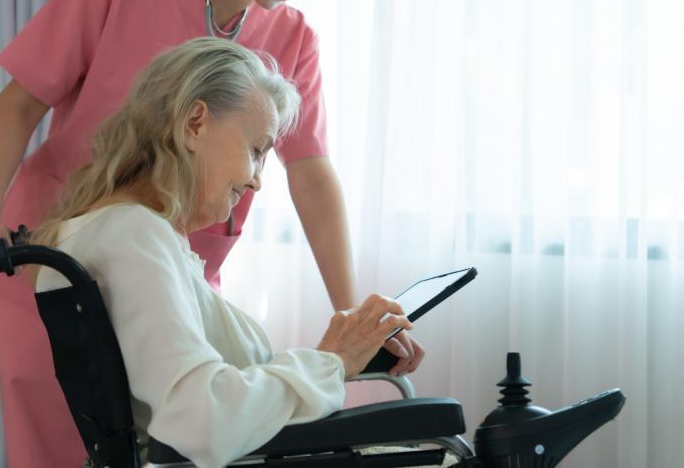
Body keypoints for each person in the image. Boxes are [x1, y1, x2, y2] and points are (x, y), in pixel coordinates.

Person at [0, 0, 424, 467]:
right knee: (65, 448)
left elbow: (309, 173)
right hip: (56, 258)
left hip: (175, 276)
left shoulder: (291, 41)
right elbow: (17, 108)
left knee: (190, 431)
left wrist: (351, 317)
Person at [34, 38, 411, 467]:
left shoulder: (124, 234)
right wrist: (331, 361)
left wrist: (340, 357)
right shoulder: (132, 234)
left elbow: (207, 398)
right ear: (195, 123)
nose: (256, 182)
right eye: (255, 151)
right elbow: (199, 420)